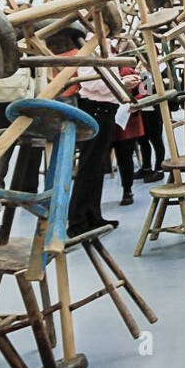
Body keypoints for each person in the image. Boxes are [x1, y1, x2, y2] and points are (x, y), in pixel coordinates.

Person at [67, 37, 141, 237]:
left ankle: (93, 216)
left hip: (106, 110)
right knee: (89, 166)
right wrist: (121, 82)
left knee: (97, 166)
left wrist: (121, 84)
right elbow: (90, 81)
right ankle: (77, 221)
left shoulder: (106, 47)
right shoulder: (93, 46)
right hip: (95, 110)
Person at [112, 66, 145, 206]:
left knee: (125, 157)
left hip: (127, 119)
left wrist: (132, 104)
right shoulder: (105, 69)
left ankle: (127, 190)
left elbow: (144, 92)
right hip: (108, 117)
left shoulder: (131, 71)